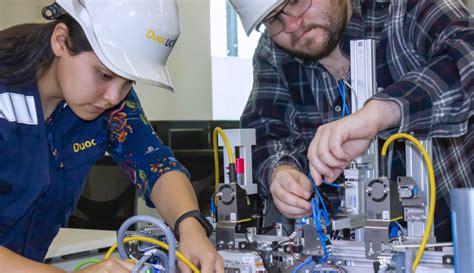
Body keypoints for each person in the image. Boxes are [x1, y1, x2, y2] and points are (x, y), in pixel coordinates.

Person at [0, 0, 223, 272]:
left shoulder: (107, 103)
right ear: (61, 40)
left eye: (128, 81)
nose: (113, 97)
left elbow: (153, 162)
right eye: (104, 74)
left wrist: (190, 227)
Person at [230, 0, 473, 240]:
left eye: (296, 1)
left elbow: (468, 53)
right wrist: (280, 171)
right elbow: (263, 129)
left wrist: (379, 113)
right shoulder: (272, 52)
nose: (292, 24)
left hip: (455, 241)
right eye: (273, 20)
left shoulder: (406, 9)